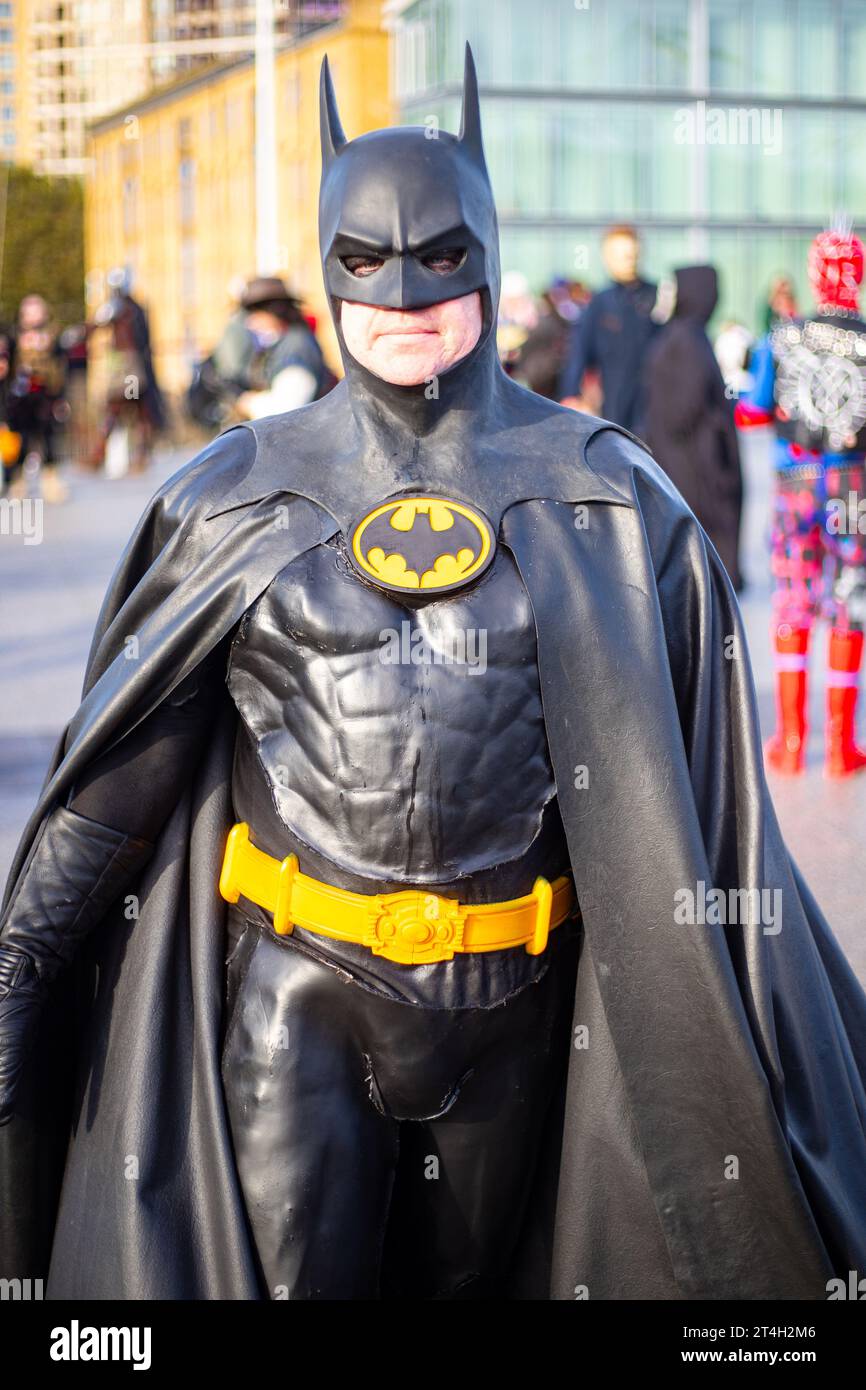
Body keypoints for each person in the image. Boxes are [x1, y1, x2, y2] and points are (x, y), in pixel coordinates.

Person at [2, 48, 866, 1303]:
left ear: (490, 256)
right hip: (297, 999)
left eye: (440, 259)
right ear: (325, 265)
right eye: (367, 263)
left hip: (516, 1006)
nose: (405, 295)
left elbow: (708, 816)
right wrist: (24, 966)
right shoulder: (236, 495)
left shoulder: (606, 497)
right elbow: (129, 770)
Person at [737, 224, 866, 777]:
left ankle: (791, 740)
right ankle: (841, 746)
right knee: (849, 599)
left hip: (795, 481)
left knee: (793, 598)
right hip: (851, 484)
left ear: (815, 276)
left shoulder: (783, 337)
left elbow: (751, 411)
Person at [644, 265, 743, 591]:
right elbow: (683, 409)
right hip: (693, 467)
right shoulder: (688, 340)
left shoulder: (680, 336)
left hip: (679, 462)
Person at [558, 224, 658, 432]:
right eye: (621, 255)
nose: (629, 260)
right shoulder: (600, 303)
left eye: (633, 254)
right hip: (615, 405)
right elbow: (579, 352)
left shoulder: (657, 298)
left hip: (655, 404)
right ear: (607, 258)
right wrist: (570, 395)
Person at [88, 268, 166, 475]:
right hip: (123, 366)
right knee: (127, 408)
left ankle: (133, 456)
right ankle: (119, 455)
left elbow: (96, 325)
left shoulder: (126, 308)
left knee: (130, 408)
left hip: (129, 367)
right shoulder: (130, 307)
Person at [10, 294, 68, 502]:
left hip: (46, 395)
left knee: (49, 440)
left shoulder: (52, 336)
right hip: (23, 399)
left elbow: (61, 367)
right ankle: (17, 485)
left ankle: (51, 484)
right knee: (22, 441)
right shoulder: (14, 336)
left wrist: (60, 397)